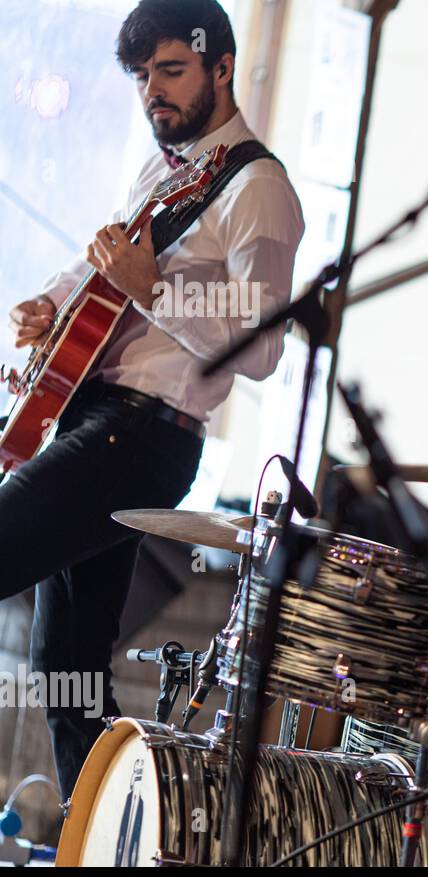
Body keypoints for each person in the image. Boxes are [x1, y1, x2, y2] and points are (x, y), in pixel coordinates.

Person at [2, 0, 304, 799]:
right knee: (65, 670)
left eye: (170, 70)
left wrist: (156, 290)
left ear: (222, 66)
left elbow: (265, 346)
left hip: (142, 438)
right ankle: (104, 847)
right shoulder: (166, 170)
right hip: (100, 423)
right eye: (141, 77)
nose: (151, 93)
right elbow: (103, 268)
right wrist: (49, 309)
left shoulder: (259, 188)